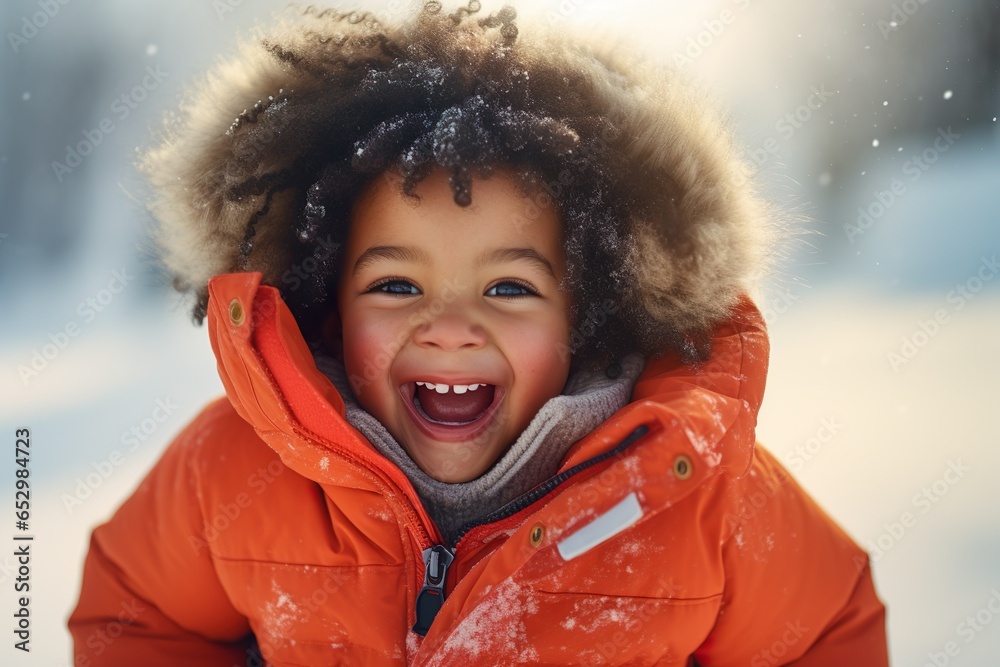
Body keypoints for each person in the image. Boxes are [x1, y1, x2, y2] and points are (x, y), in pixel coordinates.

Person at [69, 2, 888, 664]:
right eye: (396, 283)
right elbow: (134, 611)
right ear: (327, 299)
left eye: (509, 286)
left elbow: (826, 629)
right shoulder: (236, 471)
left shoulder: (690, 484)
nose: (452, 326)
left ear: (588, 312)